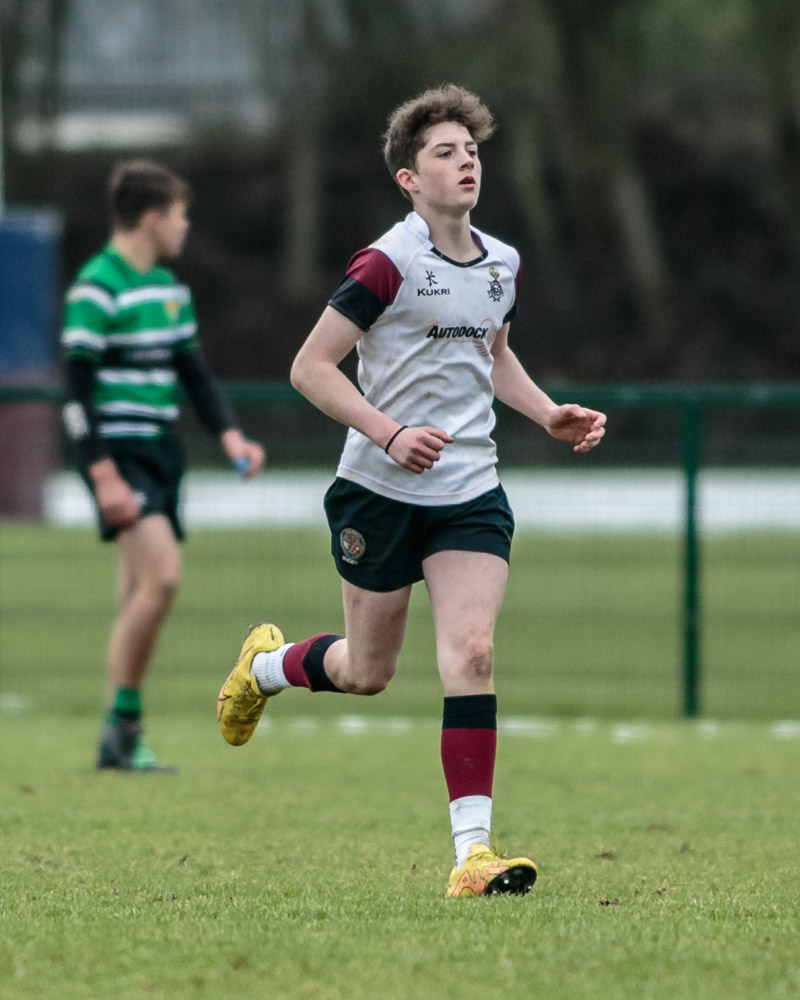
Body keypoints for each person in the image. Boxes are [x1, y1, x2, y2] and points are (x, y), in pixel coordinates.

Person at [217, 85, 606, 895]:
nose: (465, 162)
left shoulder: (503, 263)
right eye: (444, 152)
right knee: (367, 670)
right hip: (378, 492)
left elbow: (491, 353)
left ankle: (472, 856)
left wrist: (545, 415)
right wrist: (389, 432)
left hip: (469, 492)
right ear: (408, 178)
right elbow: (309, 368)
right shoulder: (386, 262)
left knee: (471, 653)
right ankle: (266, 669)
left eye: (471, 150)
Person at [61, 159, 264, 772]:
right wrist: (102, 476)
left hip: (160, 452)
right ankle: (121, 724)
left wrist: (231, 437)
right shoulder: (96, 288)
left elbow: (194, 376)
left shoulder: (171, 293)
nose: (185, 226)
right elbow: (74, 395)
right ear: (152, 218)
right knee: (164, 578)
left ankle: (121, 735)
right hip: (118, 457)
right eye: (179, 215)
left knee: (137, 590)